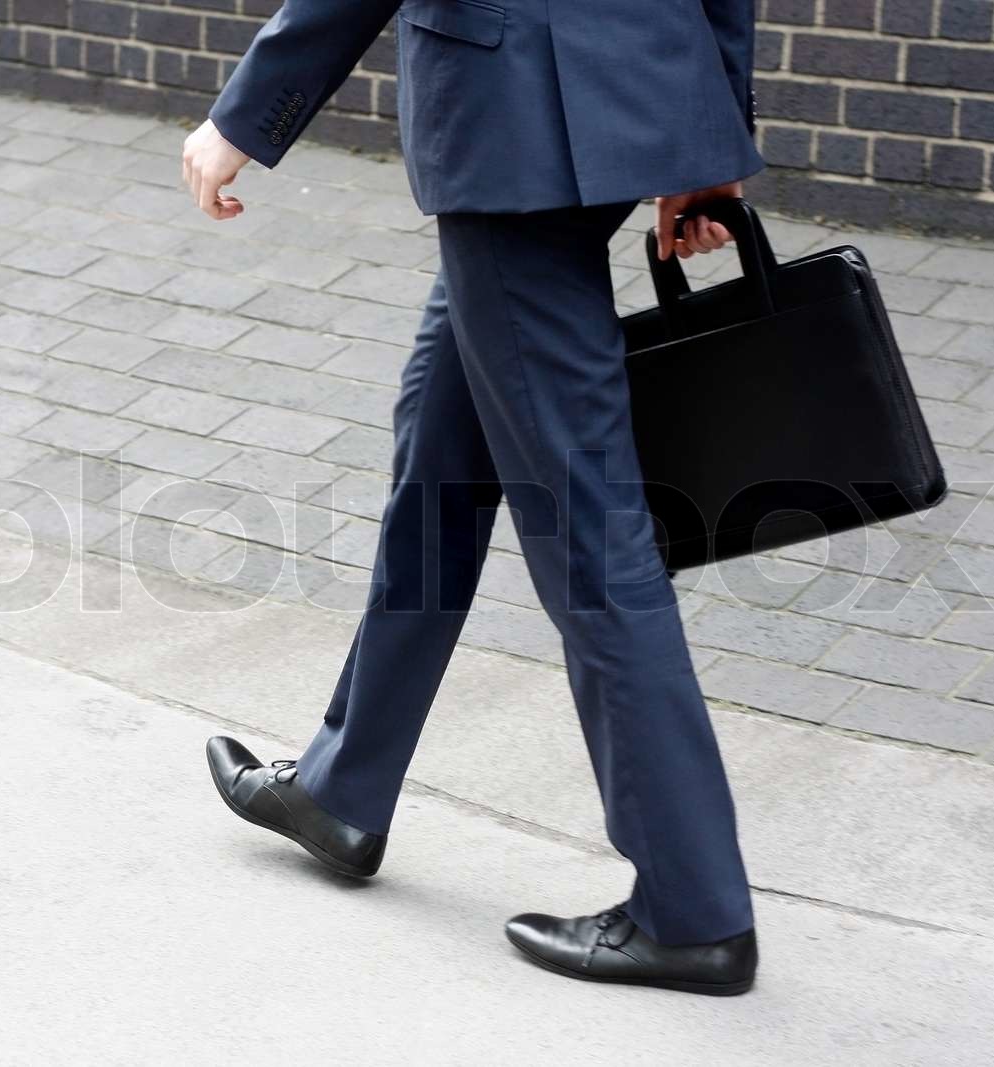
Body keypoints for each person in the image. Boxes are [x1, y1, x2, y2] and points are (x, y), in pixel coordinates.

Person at [184, 0, 764, 995]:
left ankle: (693, 907)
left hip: (513, 123)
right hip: (621, 93)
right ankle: (341, 785)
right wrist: (706, 130)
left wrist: (245, 116)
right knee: (441, 455)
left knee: (588, 528)